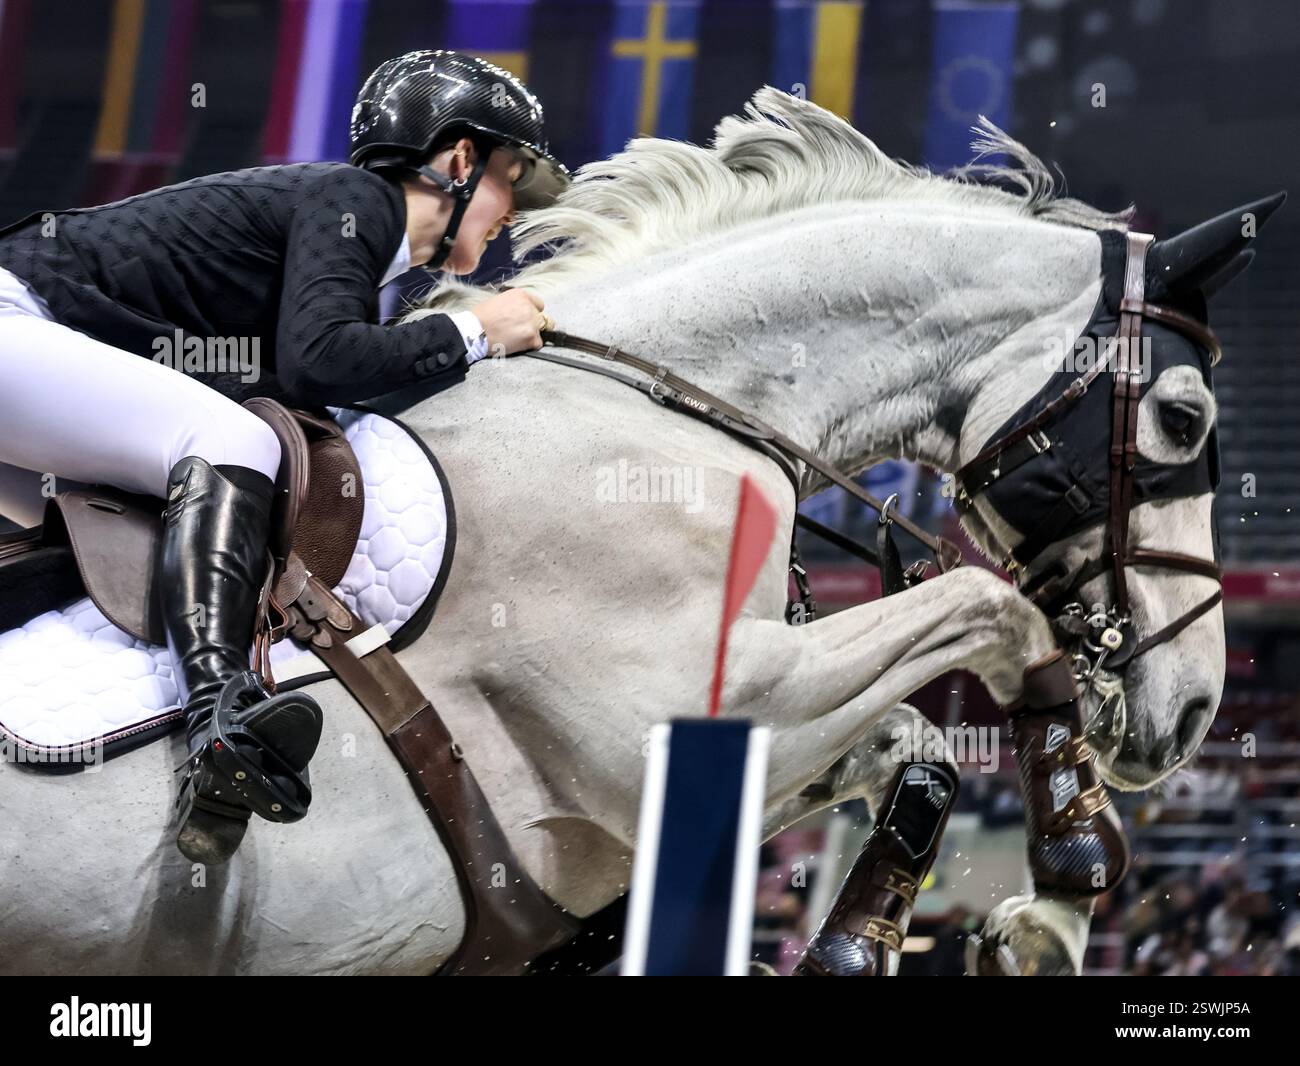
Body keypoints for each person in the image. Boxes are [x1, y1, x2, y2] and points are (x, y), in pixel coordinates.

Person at [0, 50, 569, 863]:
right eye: (513, 177)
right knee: (232, 443)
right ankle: (221, 721)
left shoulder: (341, 225)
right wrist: (478, 329)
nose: (513, 211)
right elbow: (325, 361)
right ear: (458, 160)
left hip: (25, 354)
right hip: (15, 321)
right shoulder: (357, 200)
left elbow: (312, 376)